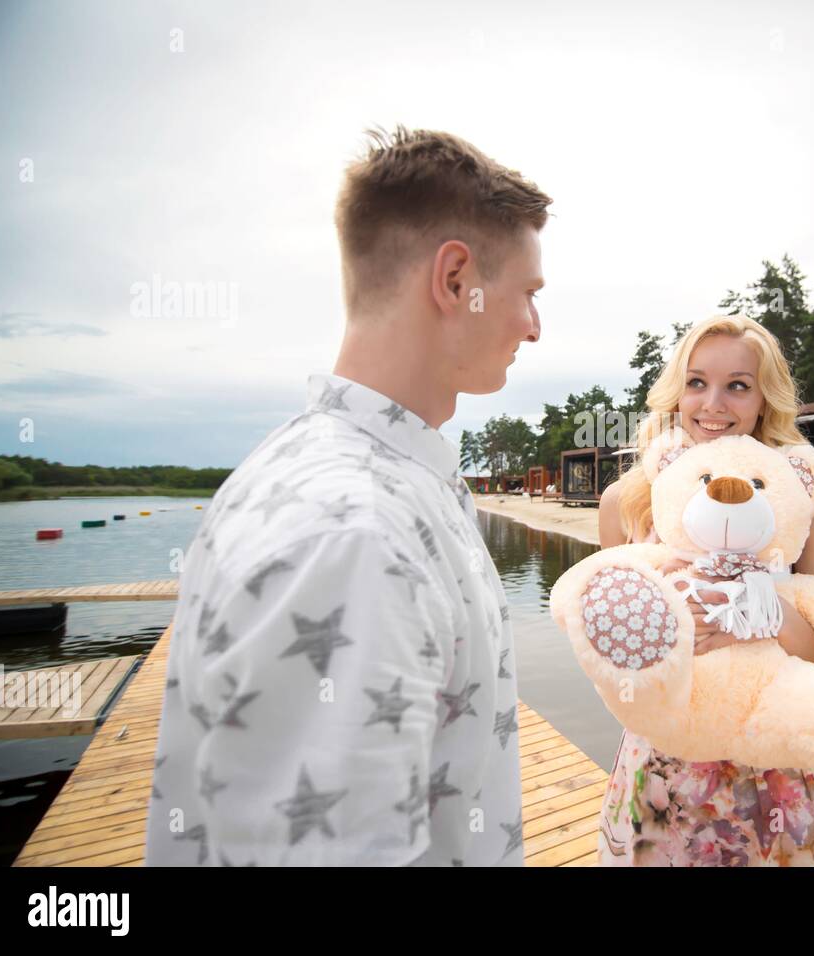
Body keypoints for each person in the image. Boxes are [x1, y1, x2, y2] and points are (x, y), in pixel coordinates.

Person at [144, 127, 551, 866]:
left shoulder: (345, 479)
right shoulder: (356, 537)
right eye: (527, 292)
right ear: (457, 279)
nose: (534, 324)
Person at [595, 314, 814, 866]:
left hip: (774, 770)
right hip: (662, 768)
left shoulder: (804, 501)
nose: (713, 404)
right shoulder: (626, 502)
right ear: (675, 393)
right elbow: (605, 651)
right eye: (696, 382)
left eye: (737, 385)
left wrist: (761, 612)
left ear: (764, 399)